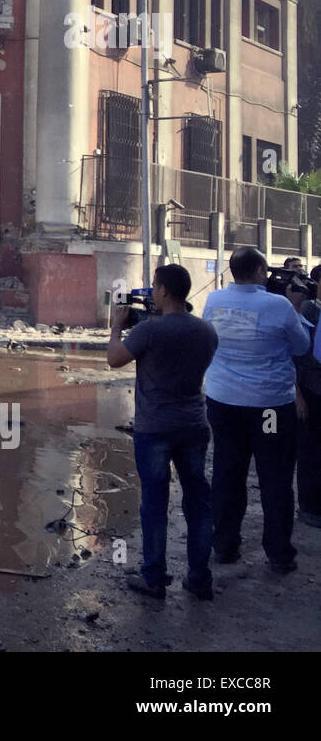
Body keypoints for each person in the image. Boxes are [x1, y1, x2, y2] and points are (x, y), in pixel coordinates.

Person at [108, 264, 219, 600]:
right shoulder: (206, 331)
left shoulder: (150, 332)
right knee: (197, 502)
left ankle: (154, 578)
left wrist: (115, 328)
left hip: (154, 428)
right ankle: (200, 578)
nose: (152, 292)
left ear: (164, 291)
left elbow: (114, 359)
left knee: (154, 504)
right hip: (194, 425)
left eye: (155, 286)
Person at [201, 246, 311, 574]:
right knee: (274, 476)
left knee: (227, 471)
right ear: (262, 271)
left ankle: (224, 545)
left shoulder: (214, 300)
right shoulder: (278, 305)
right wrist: (293, 305)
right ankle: (278, 553)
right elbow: (302, 346)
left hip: (223, 403)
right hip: (268, 409)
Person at [291, 266, 321, 528]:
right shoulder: (309, 311)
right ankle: (309, 508)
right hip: (310, 391)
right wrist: (298, 395)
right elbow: (293, 357)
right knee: (310, 452)